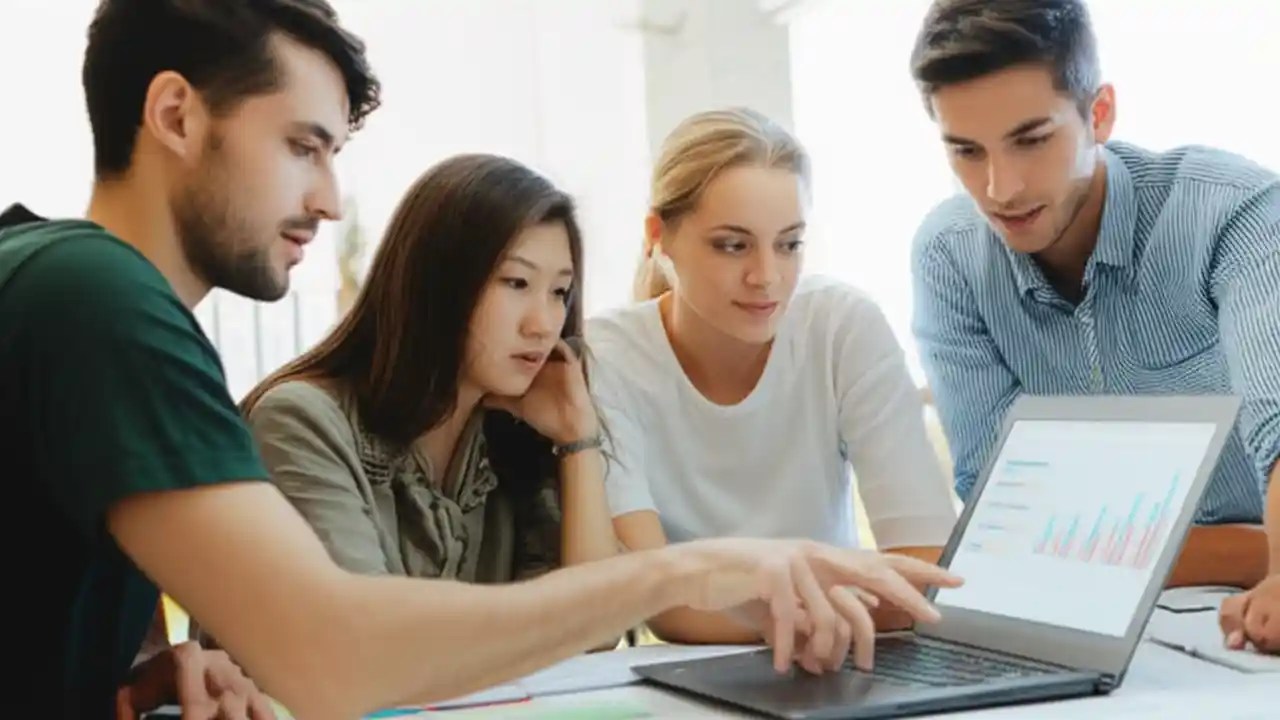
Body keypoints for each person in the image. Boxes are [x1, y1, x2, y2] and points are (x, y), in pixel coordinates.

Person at [0, 1, 963, 717]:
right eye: (302, 147)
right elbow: (335, 657)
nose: (331, 199)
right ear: (174, 115)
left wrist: (143, 669)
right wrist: (687, 571)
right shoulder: (101, 298)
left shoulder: (61, 290)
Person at [907, 0, 1279, 654]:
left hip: (1246, 621)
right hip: (1074, 629)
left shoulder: (1232, 211)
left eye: (1031, 139)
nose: (1000, 188)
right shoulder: (949, 256)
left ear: (1099, 113)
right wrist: (1250, 550)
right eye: (966, 151)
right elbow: (1004, 525)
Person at [586, 107, 958, 659]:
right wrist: (821, 615)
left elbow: (926, 570)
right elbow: (659, 597)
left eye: (789, 244)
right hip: (733, 660)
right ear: (658, 237)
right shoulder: (607, 356)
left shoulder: (842, 326)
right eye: (732, 245)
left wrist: (788, 619)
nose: (766, 277)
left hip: (839, 658)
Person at [237, 153, 617, 591]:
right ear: (437, 282)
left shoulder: (514, 440)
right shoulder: (302, 422)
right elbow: (364, 622)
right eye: (516, 283)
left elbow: (600, 620)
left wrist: (578, 440)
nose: (544, 324)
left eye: (560, 292)